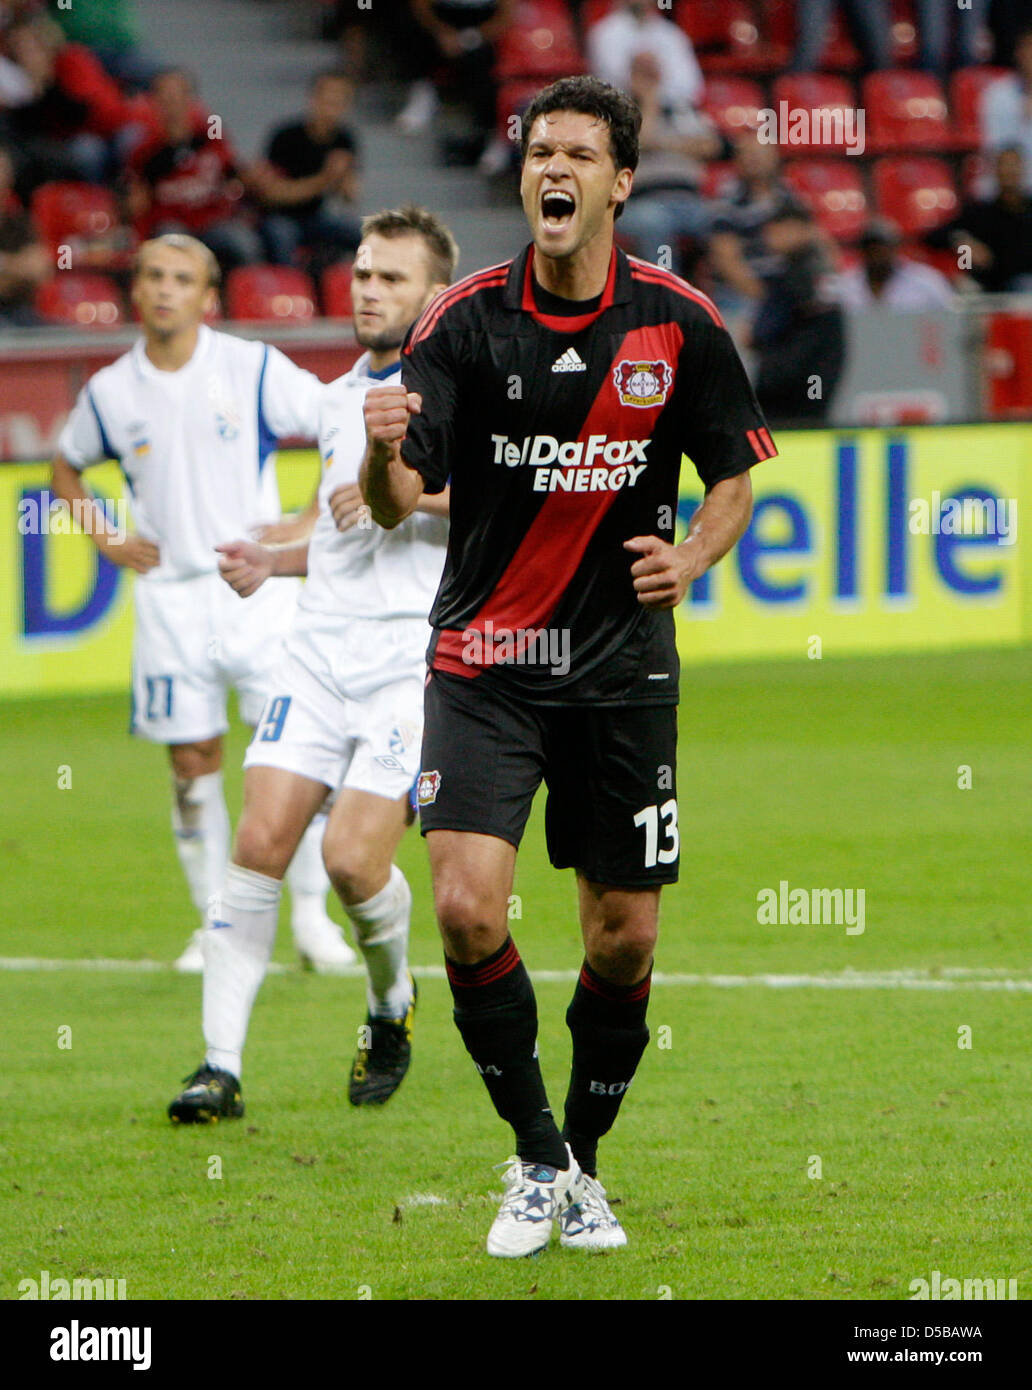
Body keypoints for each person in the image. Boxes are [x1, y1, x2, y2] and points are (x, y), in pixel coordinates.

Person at [360, 75, 776, 1258]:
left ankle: (584, 1163)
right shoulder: (463, 321)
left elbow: (733, 472)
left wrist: (691, 553)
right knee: (462, 903)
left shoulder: (679, 321)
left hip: (621, 673)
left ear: (621, 181)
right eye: (542, 150)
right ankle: (537, 1154)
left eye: (582, 154)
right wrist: (381, 446)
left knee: (623, 939)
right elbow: (397, 504)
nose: (557, 168)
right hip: (486, 659)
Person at [166, 206, 456, 1123]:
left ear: (435, 295)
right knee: (256, 847)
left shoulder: (463, 394)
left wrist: (404, 498)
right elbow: (341, 538)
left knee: (350, 862)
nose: (370, 289)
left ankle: (389, 1003)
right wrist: (275, 560)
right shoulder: (337, 399)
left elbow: (505, 506)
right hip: (317, 652)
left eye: (392, 278)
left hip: (411, 663)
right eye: (364, 273)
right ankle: (218, 1066)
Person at [49, 234, 355, 974]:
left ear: (207, 296)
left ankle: (311, 921)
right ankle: (217, 923)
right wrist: (108, 539)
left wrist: (310, 516)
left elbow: (336, 423)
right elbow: (66, 467)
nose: (163, 289)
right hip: (170, 601)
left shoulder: (247, 367)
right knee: (192, 767)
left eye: (181, 278)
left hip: (256, 592)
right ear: (136, 289)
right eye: (152, 275)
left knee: (297, 759)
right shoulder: (112, 390)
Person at [125, 68, 264, 276]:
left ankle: (252, 296)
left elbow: (233, 173)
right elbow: (136, 200)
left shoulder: (210, 135)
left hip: (213, 220)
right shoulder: (144, 150)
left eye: (178, 97)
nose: (172, 105)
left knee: (244, 241)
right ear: (154, 103)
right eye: (165, 98)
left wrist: (252, 177)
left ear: (191, 100)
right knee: (170, 241)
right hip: (172, 223)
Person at [616, 51, 723, 278]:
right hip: (640, 203)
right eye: (642, 72)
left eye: (652, 71)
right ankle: (666, 297)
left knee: (722, 220)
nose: (648, 77)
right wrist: (649, 101)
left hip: (689, 199)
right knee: (655, 222)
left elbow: (710, 146)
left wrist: (661, 144)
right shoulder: (619, 112)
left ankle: (729, 302)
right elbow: (641, 141)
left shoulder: (683, 109)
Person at [253, 70, 362, 274]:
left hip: (317, 217)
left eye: (339, 101)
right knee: (281, 236)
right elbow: (272, 195)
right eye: (327, 99)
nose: (331, 107)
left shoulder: (345, 139)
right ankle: (290, 293)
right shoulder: (285, 136)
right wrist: (325, 178)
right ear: (313, 99)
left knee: (362, 234)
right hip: (279, 217)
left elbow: (350, 196)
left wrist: (345, 178)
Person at [749, 204, 845, 422]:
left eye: (779, 229)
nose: (770, 236)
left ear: (803, 230)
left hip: (793, 388)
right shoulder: (804, 271)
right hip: (811, 382)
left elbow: (809, 335)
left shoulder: (804, 274)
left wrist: (772, 375)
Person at [924, 145, 1032, 292]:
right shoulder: (978, 212)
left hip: (1024, 289)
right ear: (994, 170)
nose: (1008, 170)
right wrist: (961, 241)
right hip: (985, 288)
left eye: (1013, 165)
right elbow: (932, 238)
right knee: (961, 287)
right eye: (1003, 164)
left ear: (1023, 169)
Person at [586, 0, 704, 112]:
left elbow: (691, 86)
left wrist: (655, 85)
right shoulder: (606, 33)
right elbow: (618, 82)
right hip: (622, 112)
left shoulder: (671, 33)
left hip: (674, 112)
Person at [833, 218, 955, 311]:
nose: (877, 255)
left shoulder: (927, 282)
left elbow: (948, 320)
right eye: (871, 249)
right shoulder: (844, 287)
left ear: (895, 248)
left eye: (882, 249)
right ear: (862, 251)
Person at [0, 139, 48, 325]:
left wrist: (4, 265)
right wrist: (18, 269)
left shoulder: (18, 221)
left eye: (3, 170)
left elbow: (40, 270)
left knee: (68, 335)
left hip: (20, 312)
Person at [981, 23, 1032, 193]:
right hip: (1006, 189)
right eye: (1029, 48)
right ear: (1019, 53)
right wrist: (1023, 119)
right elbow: (997, 148)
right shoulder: (998, 93)